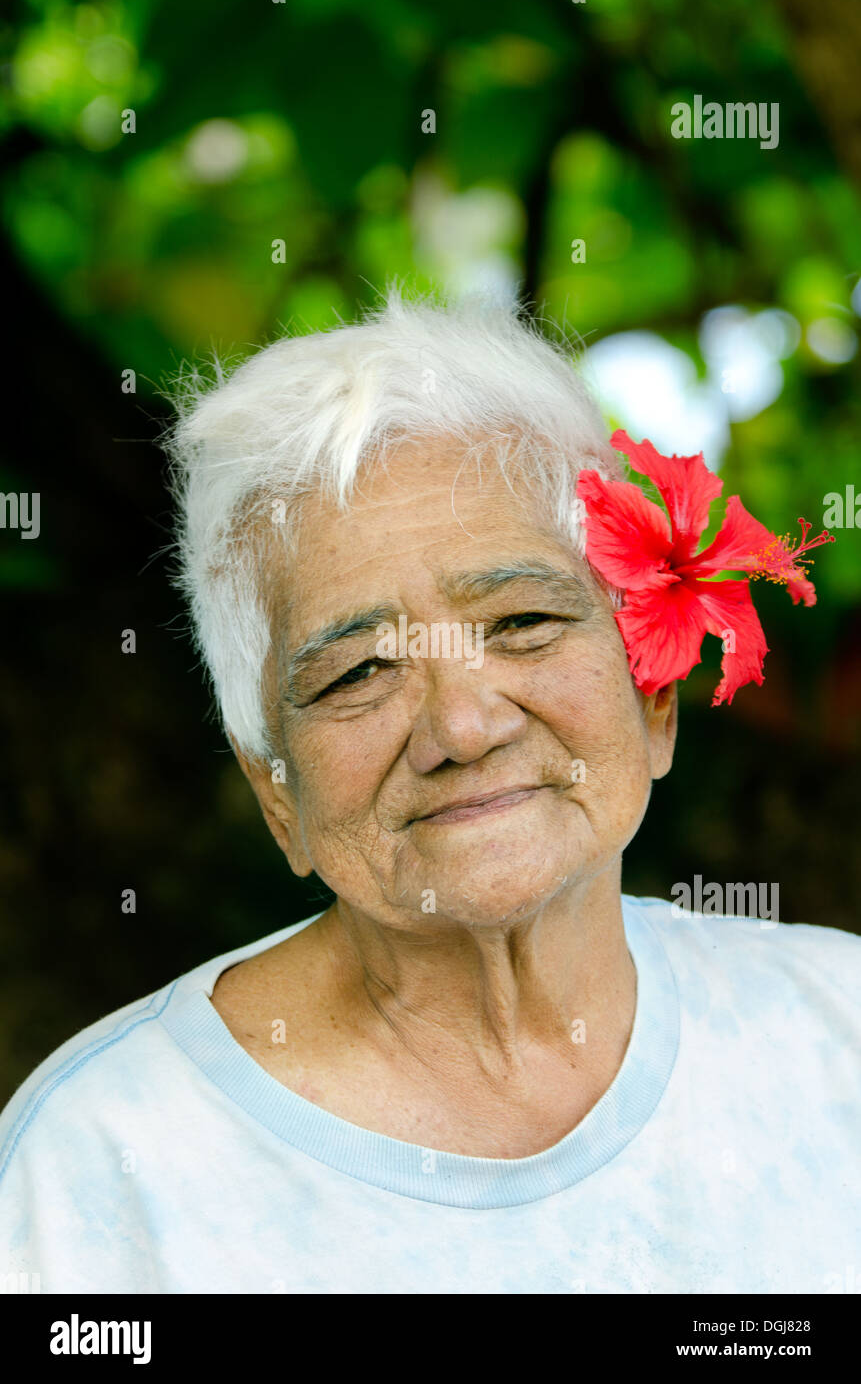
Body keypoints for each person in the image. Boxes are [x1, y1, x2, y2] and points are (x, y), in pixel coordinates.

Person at [1, 292, 857, 1294]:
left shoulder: (838, 1030)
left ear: (654, 698)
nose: (462, 725)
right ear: (276, 794)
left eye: (527, 619)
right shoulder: (94, 1171)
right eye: (358, 672)